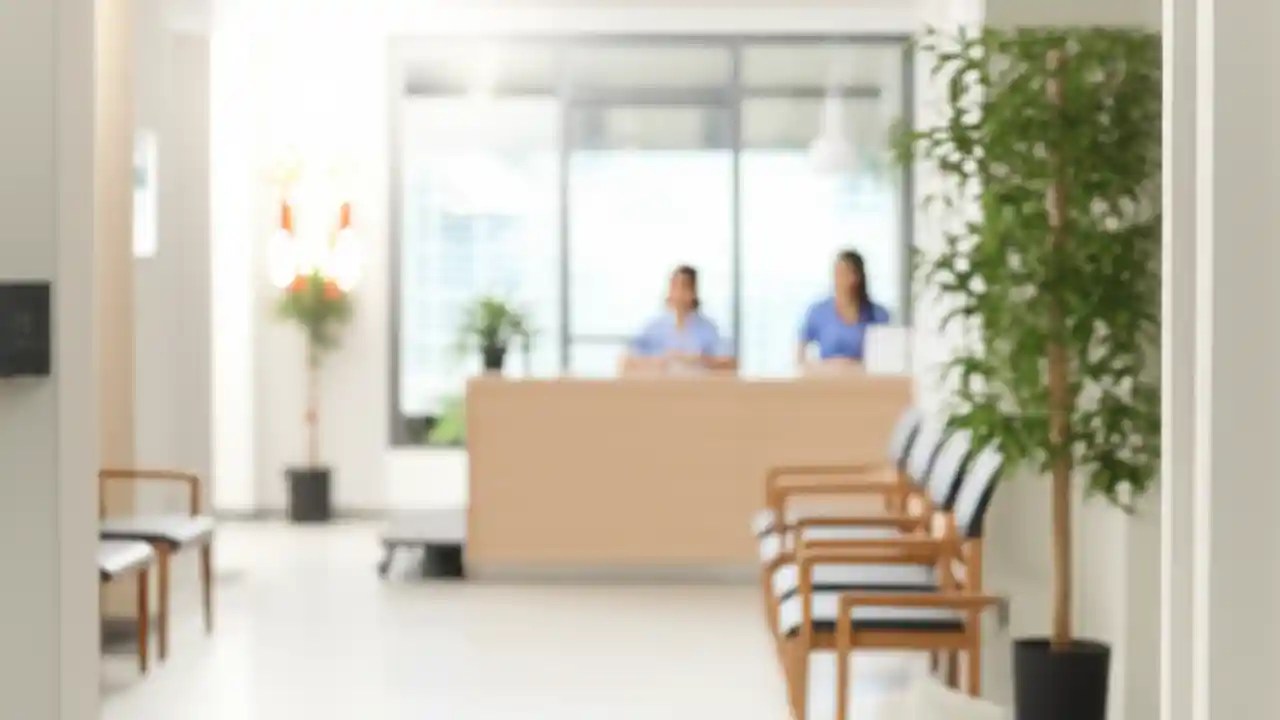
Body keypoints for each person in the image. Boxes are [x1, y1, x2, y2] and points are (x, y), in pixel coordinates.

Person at [622, 265, 736, 374]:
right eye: (674, 287)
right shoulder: (653, 328)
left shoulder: (708, 329)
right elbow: (627, 362)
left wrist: (698, 361)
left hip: (697, 389)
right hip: (660, 388)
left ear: (694, 292)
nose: (679, 294)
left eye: (684, 287)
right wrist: (662, 362)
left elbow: (729, 364)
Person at [797, 249, 890, 369]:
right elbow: (800, 355)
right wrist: (819, 368)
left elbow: (887, 358)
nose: (840, 279)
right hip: (828, 380)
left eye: (846, 273)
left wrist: (851, 366)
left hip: (865, 382)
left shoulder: (878, 314)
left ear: (858, 277)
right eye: (837, 273)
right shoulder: (818, 311)